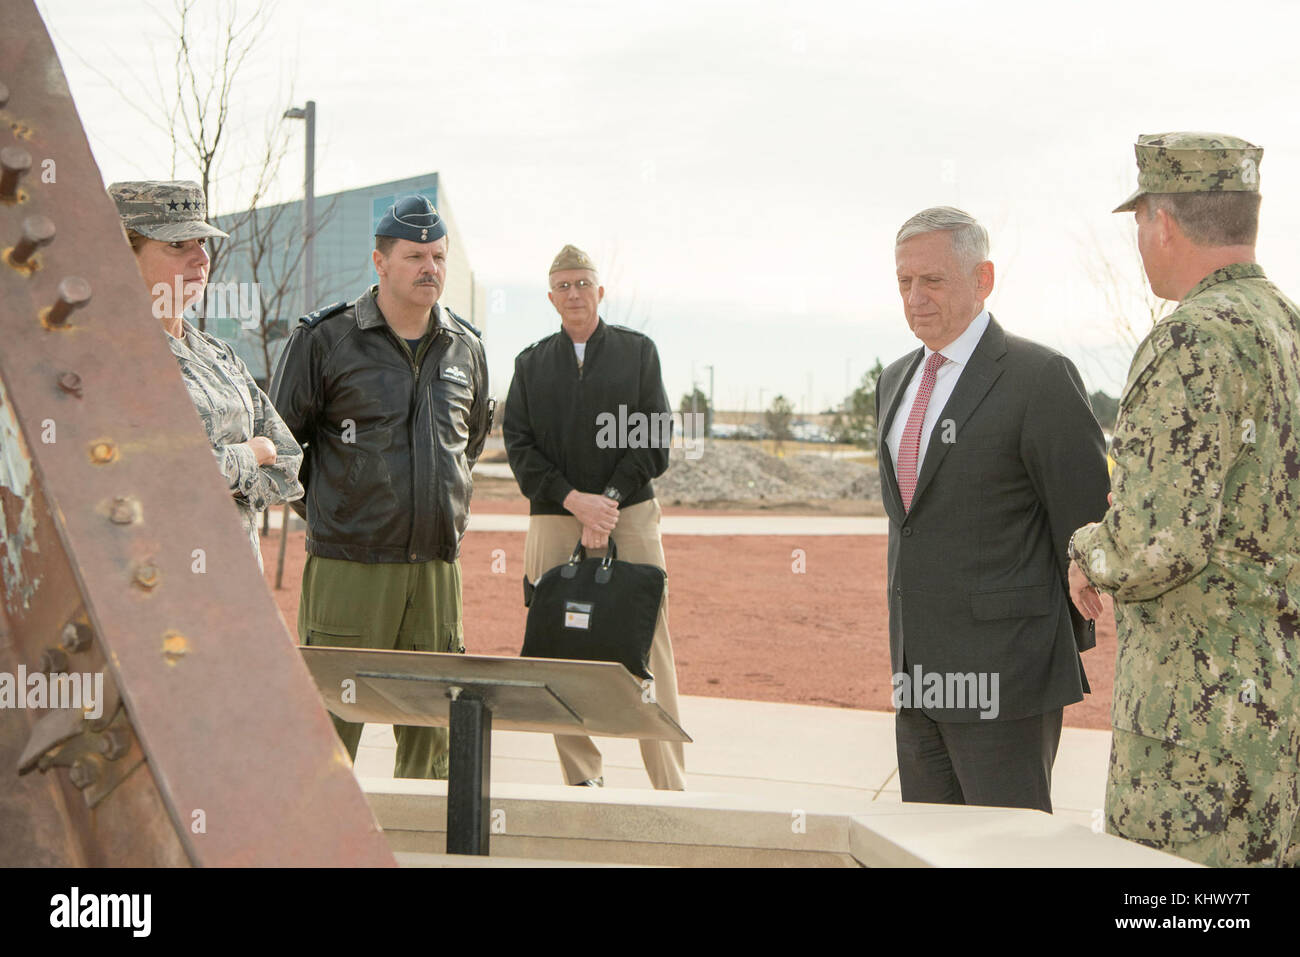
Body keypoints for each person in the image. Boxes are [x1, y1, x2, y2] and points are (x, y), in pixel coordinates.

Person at [1068, 133, 1300, 866]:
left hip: (1198, 742)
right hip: (1280, 717)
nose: (1140, 239)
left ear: (1162, 222)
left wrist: (1085, 549)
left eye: (1139, 221)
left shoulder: (1192, 341)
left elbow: (1156, 542)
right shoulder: (1287, 331)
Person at [878, 207, 1109, 813]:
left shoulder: (1040, 377)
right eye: (904, 281)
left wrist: (1058, 635)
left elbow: (1087, 519)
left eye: (932, 280)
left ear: (983, 279)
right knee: (924, 849)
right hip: (916, 672)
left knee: (1008, 851)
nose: (915, 296)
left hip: (1005, 677)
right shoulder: (894, 380)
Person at [269, 195, 492, 780]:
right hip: (350, 568)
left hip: (437, 573)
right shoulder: (326, 339)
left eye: (439, 256)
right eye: (415, 255)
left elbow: (467, 448)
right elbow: (282, 446)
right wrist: (335, 511)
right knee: (327, 733)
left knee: (432, 736)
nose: (431, 268)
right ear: (379, 261)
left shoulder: (465, 349)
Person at [504, 244, 686, 790]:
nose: (574, 294)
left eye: (583, 283)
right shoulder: (531, 364)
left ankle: (670, 784)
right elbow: (519, 446)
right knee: (558, 639)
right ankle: (582, 779)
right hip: (555, 517)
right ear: (551, 297)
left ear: (600, 291)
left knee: (649, 637)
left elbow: (655, 439)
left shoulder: (637, 353)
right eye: (563, 285)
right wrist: (573, 500)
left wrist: (605, 501)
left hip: (627, 512)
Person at [108, 180, 303, 572]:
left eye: (202, 242)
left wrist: (213, 476)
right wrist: (246, 457)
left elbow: (286, 459)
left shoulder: (220, 356)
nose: (200, 258)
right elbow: (139, 477)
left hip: (236, 585)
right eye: (177, 245)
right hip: (155, 590)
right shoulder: (109, 359)